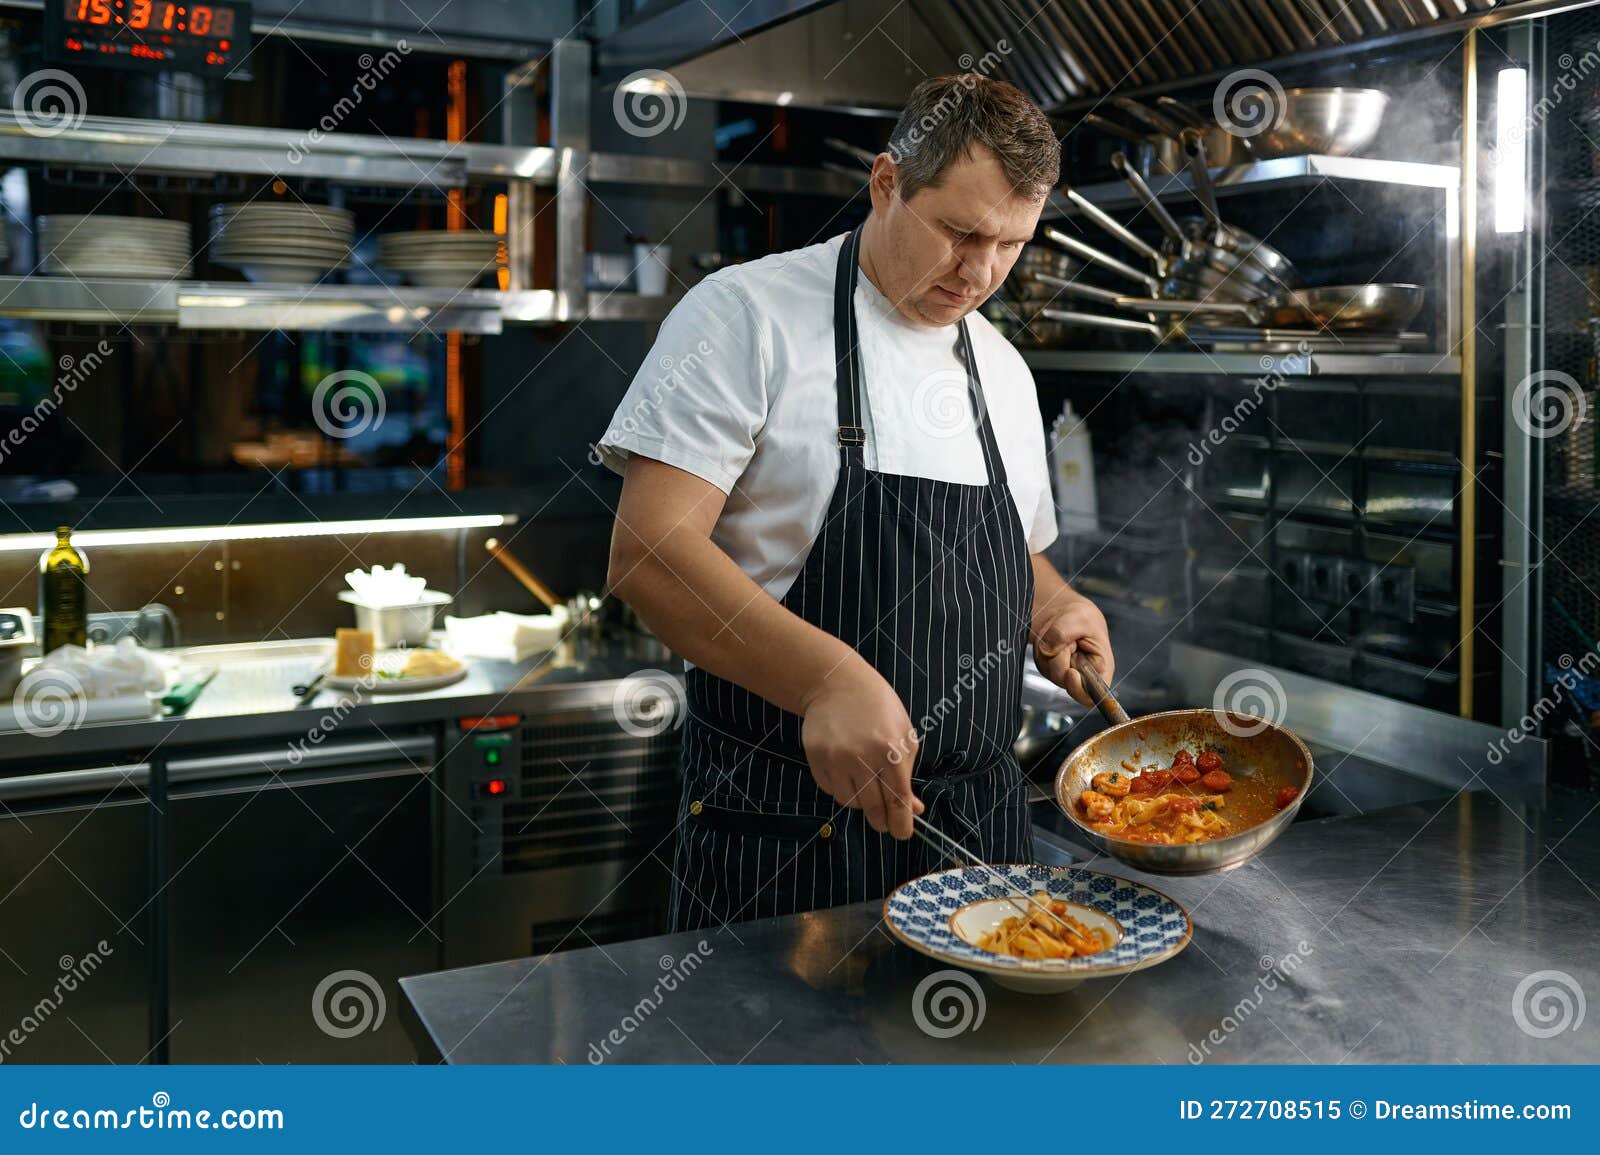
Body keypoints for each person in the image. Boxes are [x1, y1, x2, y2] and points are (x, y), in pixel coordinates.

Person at [599, 74, 1113, 931]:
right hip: (787, 836)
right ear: (885, 183)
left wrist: (1052, 600)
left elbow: (1008, 547)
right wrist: (824, 679)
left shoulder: (1004, 370)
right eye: (960, 231)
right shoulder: (744, 317)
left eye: (1012, 244)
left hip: (979, 842)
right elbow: (649, 555)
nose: (981, 271)